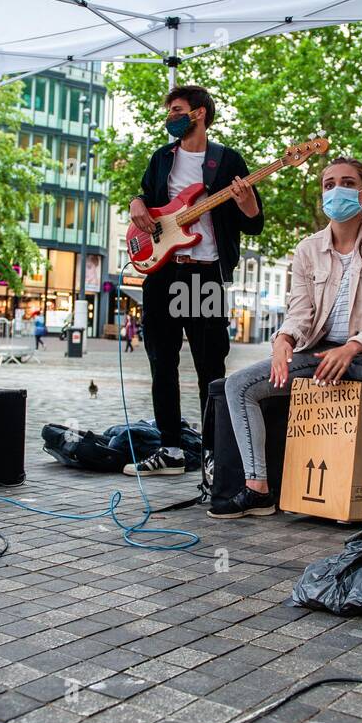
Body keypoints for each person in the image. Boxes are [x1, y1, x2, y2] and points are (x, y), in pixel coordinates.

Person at [216, 157, 362, 528]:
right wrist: (283, 339)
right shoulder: (308, 249)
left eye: (345, 182)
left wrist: (353, 346)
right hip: (321, 352)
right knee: (239, 385)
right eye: (328, 184)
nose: (335, 190)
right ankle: (258, 487)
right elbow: (299, 311)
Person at [124, 85, 264, 476]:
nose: (171, 116)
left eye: (177, 110)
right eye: (170, 110)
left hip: (204, 274)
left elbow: (254, 223)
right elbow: (147, 201)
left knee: (210, 366)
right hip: (163, 271)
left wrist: (246, 200)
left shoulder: (227, 159)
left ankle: (212, 451)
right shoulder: (161, 158)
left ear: (199, 114)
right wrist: (136, 203)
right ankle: (169, 448)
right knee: (161, 361)